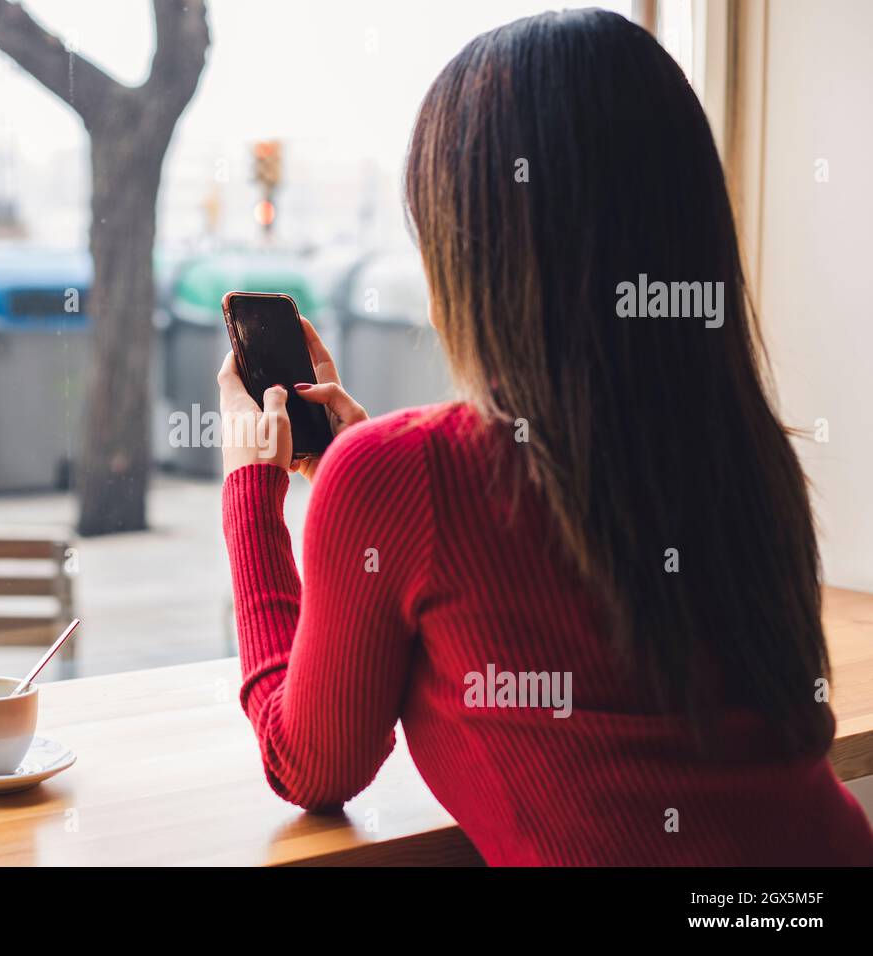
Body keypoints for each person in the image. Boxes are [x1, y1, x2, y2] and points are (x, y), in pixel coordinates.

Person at [216, 8, 873, 865]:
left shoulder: (403, 477)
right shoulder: (747, 454)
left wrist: (251, 493)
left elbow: (306, 763)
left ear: (467, 244)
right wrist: (371, 495)